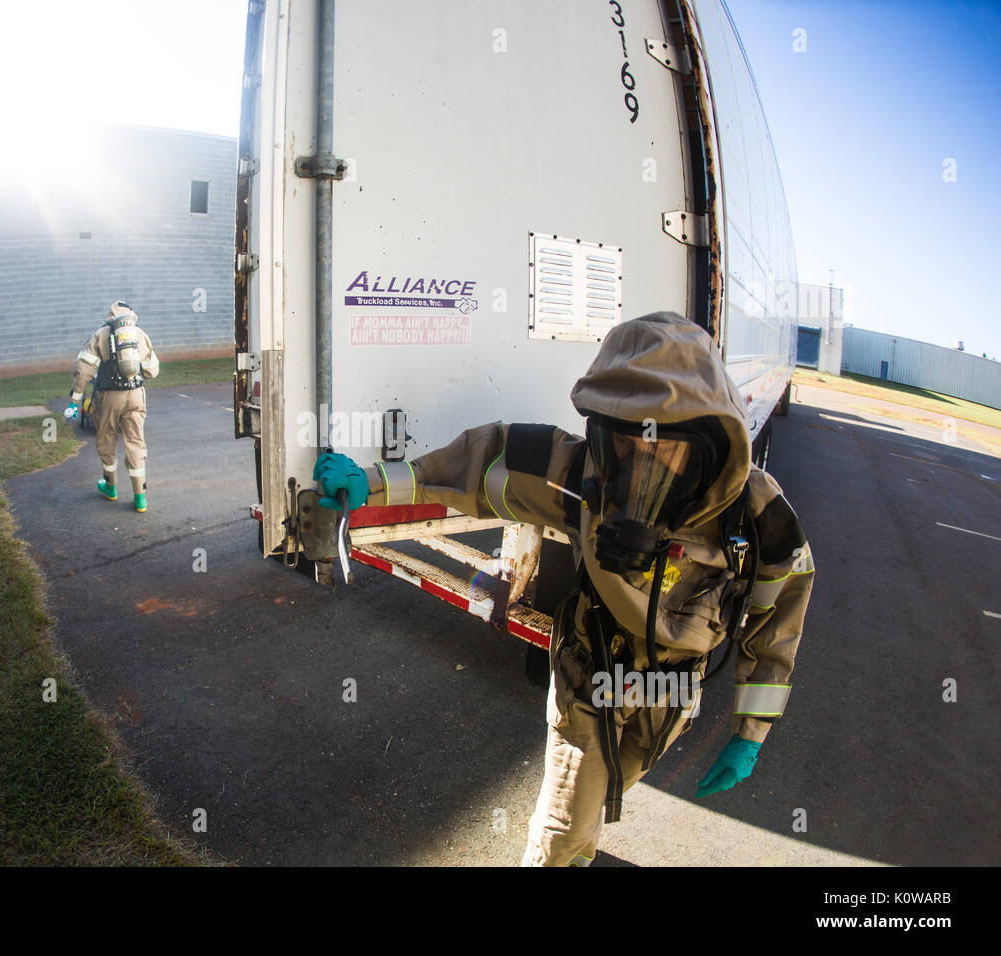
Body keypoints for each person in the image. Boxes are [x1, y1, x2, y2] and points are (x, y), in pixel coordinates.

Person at [314, 311, 815, 866]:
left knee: (596, 806)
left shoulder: (756, 516)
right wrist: (376, 482)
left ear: (709, 442)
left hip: (669, 698)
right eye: (624, 443)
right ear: (602, 432)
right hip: (591, 676)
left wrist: (751, 732)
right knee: (562, 830)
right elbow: (479, 465)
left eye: (663, 446)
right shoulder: (576, 474)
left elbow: (778, 620)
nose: (640, 464)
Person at [64, 300, 160, 511]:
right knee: (135, 442)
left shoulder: (101, 334)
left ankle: (110, 486)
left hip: (108, 397)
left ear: (111, 315)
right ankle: (140, 497)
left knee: (107, 438)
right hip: (136, 395)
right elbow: (152, 370)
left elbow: (83, 369)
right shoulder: (139, 334)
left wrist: (75, 400)